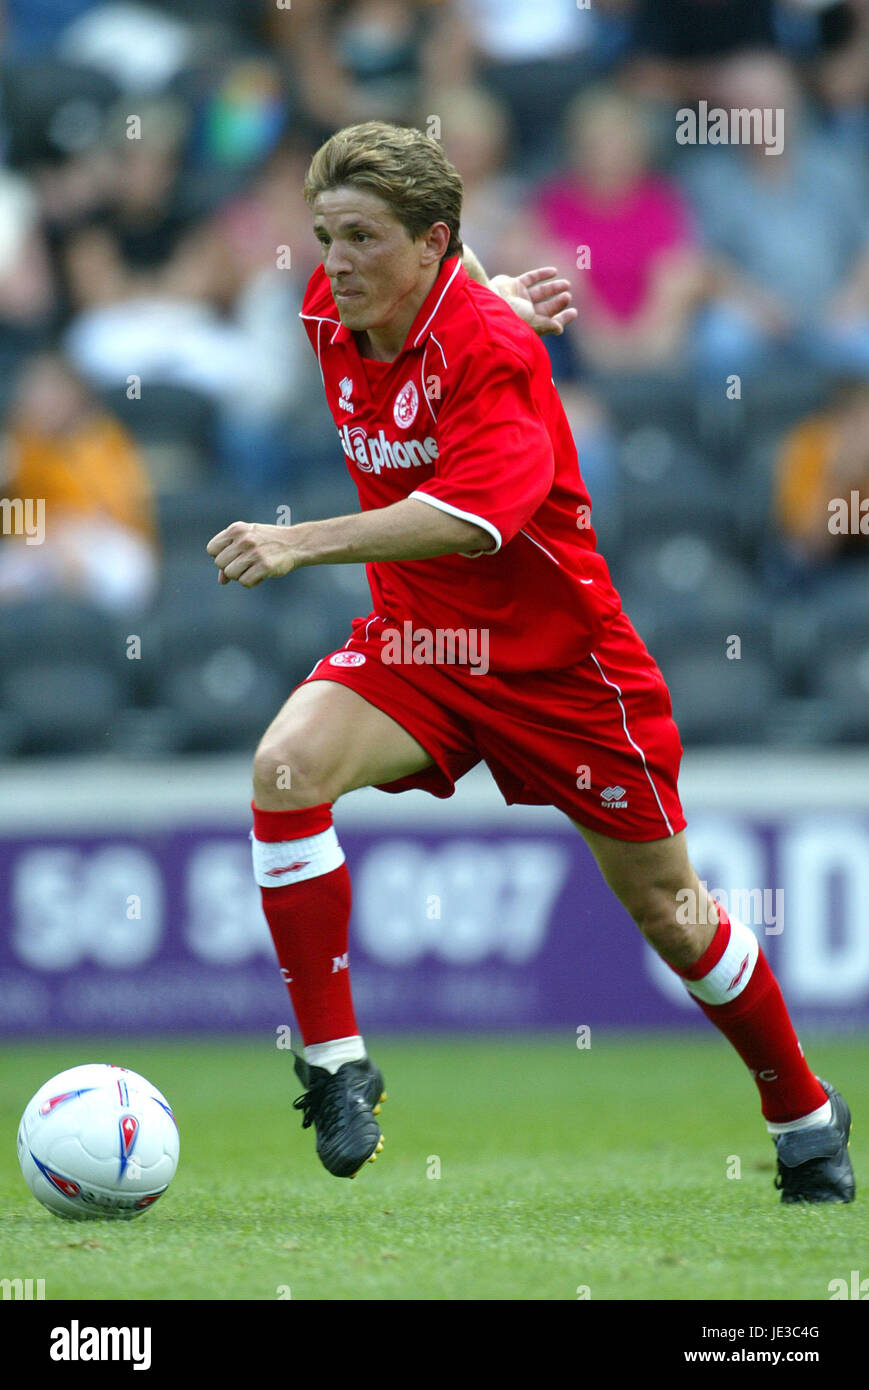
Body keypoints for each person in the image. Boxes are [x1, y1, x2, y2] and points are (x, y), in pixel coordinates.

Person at [207, 121, 854, 1203]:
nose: (338, 263)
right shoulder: (336, 311)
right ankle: (332, 1066)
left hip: (560, 669)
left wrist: (297, 538)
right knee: (283, 770)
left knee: (670, 914)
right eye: (324, 236)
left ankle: (800, 1109)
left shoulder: (495, 351)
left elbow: (470, 522)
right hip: (420, 646)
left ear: (430, 241)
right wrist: (475, 290)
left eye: (365, 238)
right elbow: (434, 317)